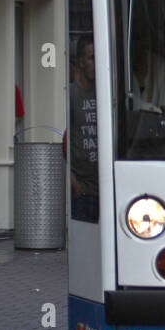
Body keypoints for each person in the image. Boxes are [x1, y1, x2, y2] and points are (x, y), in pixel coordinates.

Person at [69, 34, 98, 222]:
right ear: (80, 62)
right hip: (83, 190)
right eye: (91, 58)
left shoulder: (105, 93)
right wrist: (74, 184)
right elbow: (62, 142)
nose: (96, 63)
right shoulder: (72, 95)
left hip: (104, 186)